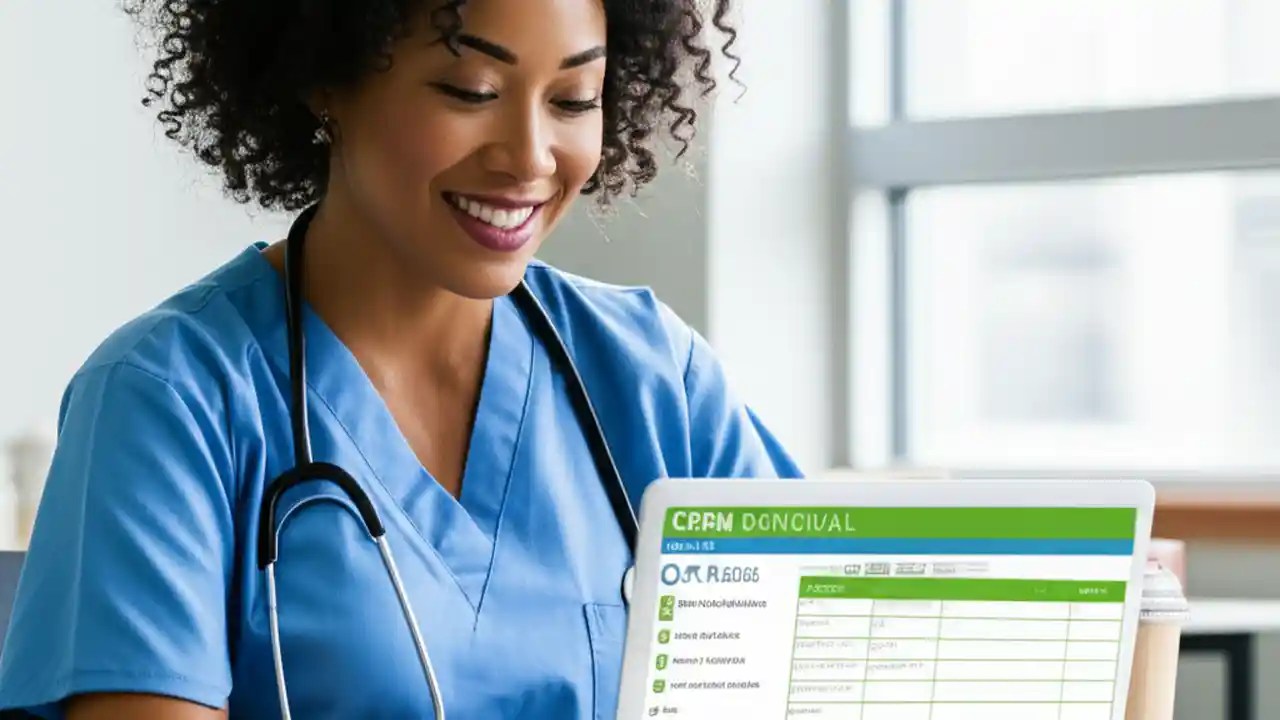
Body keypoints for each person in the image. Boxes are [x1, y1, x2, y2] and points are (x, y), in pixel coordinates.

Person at [0, 0, 801, 717]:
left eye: (572, 101)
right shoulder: (167, 399)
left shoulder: (656, 379)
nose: (530, 157)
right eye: (471, 92)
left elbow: (816, 661)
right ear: (326, 81)